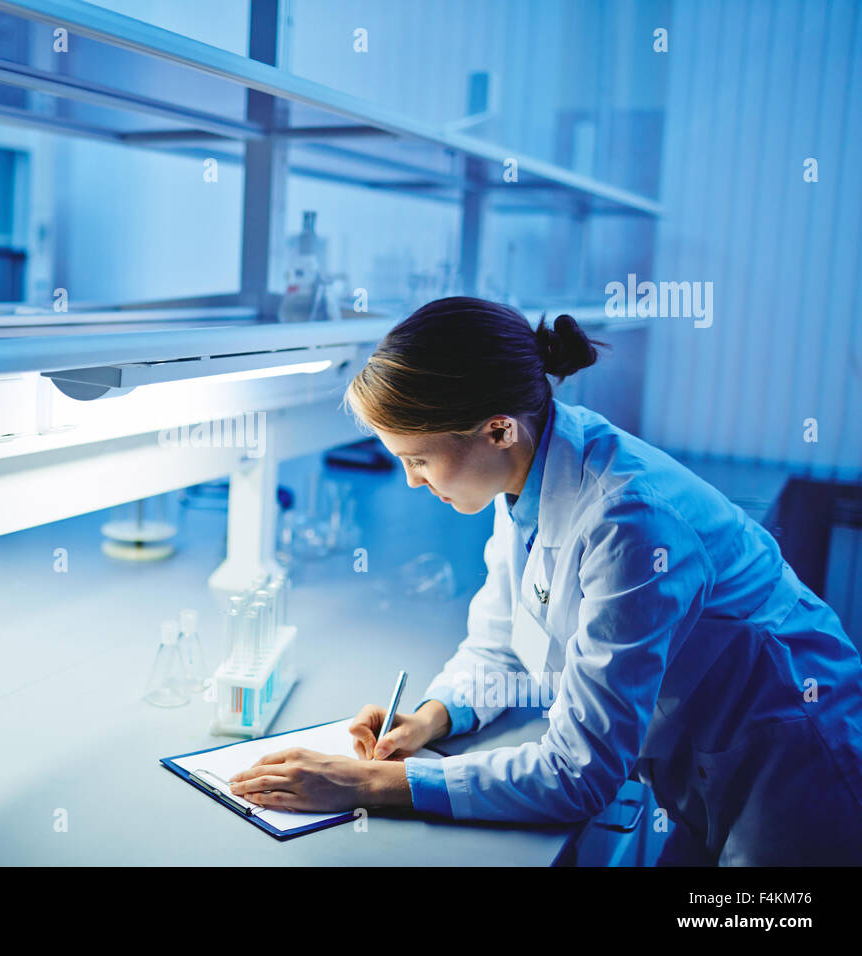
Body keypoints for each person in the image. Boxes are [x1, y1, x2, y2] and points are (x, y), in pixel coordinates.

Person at [227, 296, 862, 865]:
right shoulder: (527, 478)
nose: (413, 482)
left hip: (795, 762)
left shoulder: (628, 521)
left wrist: (370, 785)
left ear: (497, 428)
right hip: (704, 758)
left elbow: (576, 775)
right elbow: (505, 638)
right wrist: (432, 718)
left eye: (418, 459)